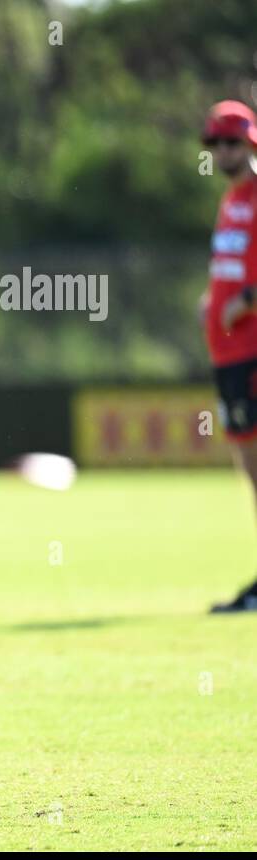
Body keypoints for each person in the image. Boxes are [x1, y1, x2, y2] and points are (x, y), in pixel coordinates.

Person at [198, 101, 257, 613]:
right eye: (215, 144)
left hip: (252, 349)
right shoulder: (232, 200)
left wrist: (246, 301)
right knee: (248, 463)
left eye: (231, 142)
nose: (222, 152)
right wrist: (213, 302)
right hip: (230, 353)